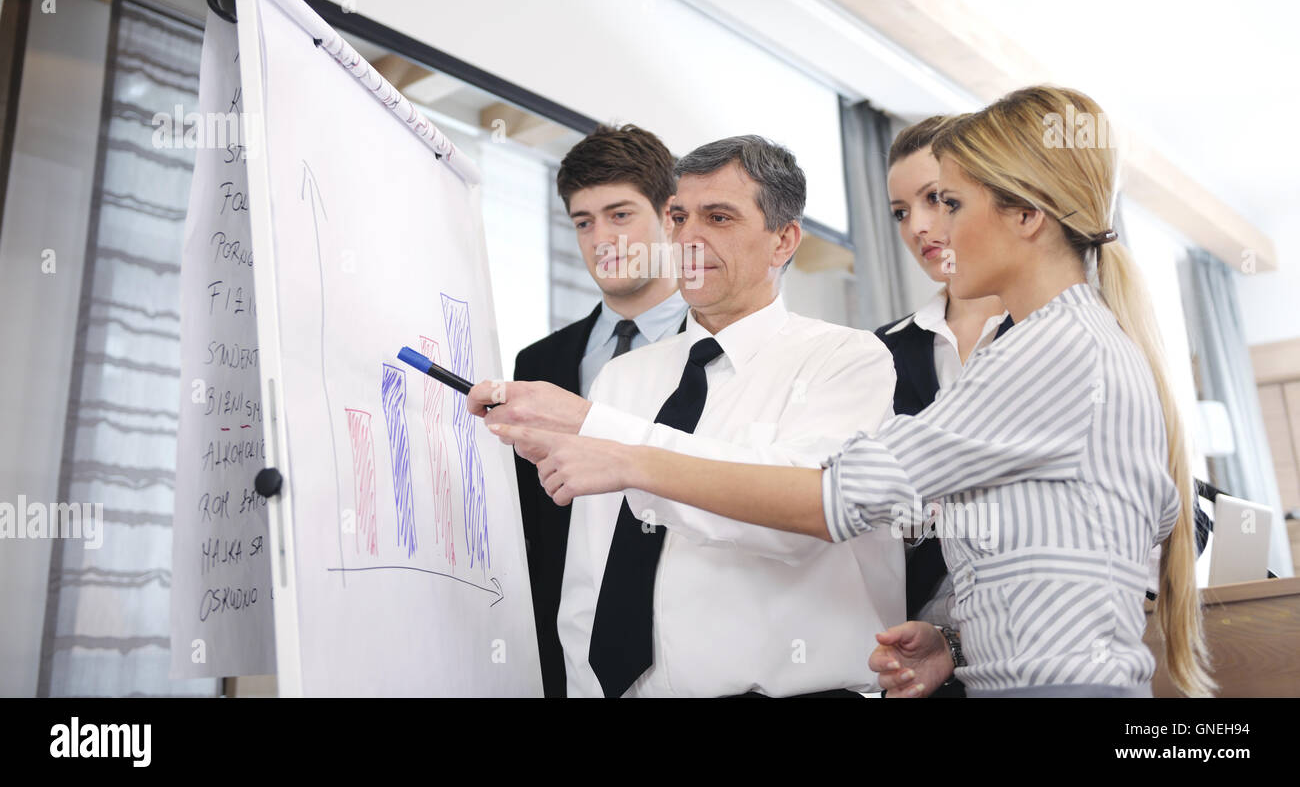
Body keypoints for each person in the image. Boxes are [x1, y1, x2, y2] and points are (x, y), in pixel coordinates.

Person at [492, 86, 1214, 698]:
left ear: (1026, 216)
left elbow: (829, 499)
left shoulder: (1044, 354)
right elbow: (1102, 530)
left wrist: (622, 450)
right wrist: (953, 639)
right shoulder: (1051, 347)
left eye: (950, 203)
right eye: (912, 209)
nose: (931, 232)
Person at [472, 135, 903, 698]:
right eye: (679, 216)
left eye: (718, 217)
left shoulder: (846, 360)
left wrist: (609, 440)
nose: (688, 237)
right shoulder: (623, 380)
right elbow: (590, 578)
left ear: (784, 241)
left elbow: (800, 515)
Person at [512, 123, 686, 698]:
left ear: (670, 214)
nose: (601, 238)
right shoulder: (539, 361)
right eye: (583, 221)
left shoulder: (719, 347)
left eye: (620, 214)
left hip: (692, 638)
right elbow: (534, 527)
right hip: (570, 652)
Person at [879, 116, 1011, 697]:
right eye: (902, 211)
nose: (920, 227)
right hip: (920, 665)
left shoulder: (1058, 336)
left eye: (936, 199)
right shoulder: (874, 354)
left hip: (1040, 655)